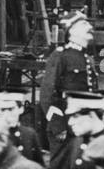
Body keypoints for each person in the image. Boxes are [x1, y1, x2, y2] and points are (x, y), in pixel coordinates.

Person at [39, 12, 96, 158]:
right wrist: (58, 126)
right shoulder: (60, 56)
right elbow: (47, 95)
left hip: (84, 125)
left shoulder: (88, 59)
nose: (90, 27)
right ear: (72, 31)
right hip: (66, 128)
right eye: (84, 24)